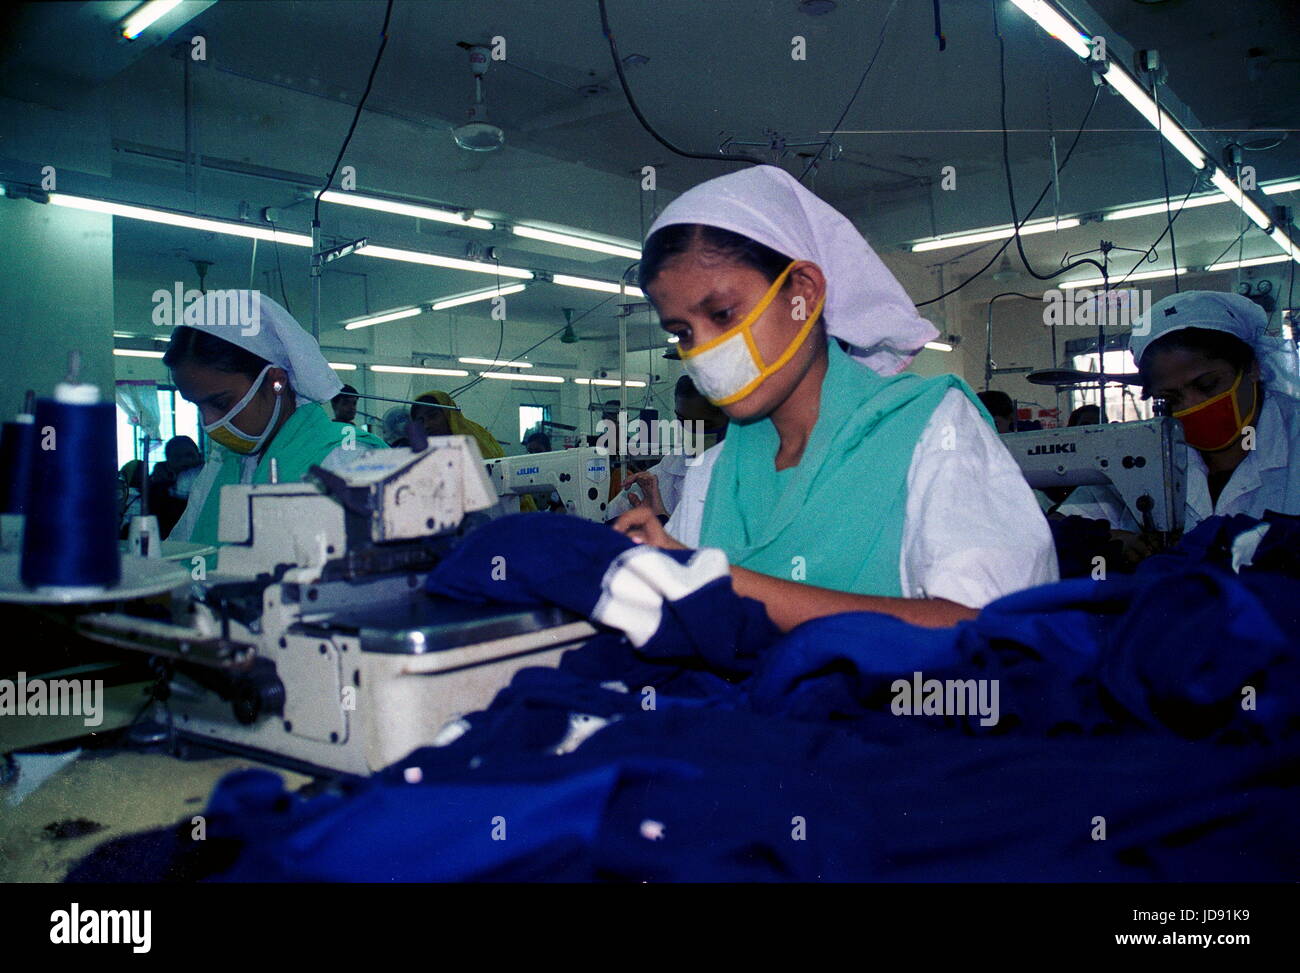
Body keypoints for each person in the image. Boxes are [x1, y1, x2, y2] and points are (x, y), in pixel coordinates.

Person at [612, 165, 1057, 631]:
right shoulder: (714, 475)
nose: (703, 349)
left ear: (803, 292)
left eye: (722, 313)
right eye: (683, 332)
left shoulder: (931, 430)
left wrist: (714, 579)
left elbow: (994, 632)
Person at [164, 292, 387, 548]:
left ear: (276, 381)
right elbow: (180, 552)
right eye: (197, 406)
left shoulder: (346, 460)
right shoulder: (221, 465)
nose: (209, 422)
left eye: (220, 403)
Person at [1130, 290, 1300, 529]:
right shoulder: (1145, 453)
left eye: (1207, 385)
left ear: (1252, 367)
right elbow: (1075, 519)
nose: (1192, 405)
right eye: (1171, 399)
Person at [605, 375, 729, 521]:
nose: (691, 431)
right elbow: (610, 515)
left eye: (705, 424)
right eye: (683, 420)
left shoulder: (751, 477)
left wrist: (662, 519)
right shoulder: (668, 470)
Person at [411, 390, 505, 459]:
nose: (427, 425)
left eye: (432, 416)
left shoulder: (477, 439)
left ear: (448, 414)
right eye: (421, 421)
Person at [147, 435, 203, 538]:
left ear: (199, 456)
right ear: (168, 461)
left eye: (190, 455)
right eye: (177, 457)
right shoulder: (156, 490)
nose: (185, 461)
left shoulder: (208, 479)